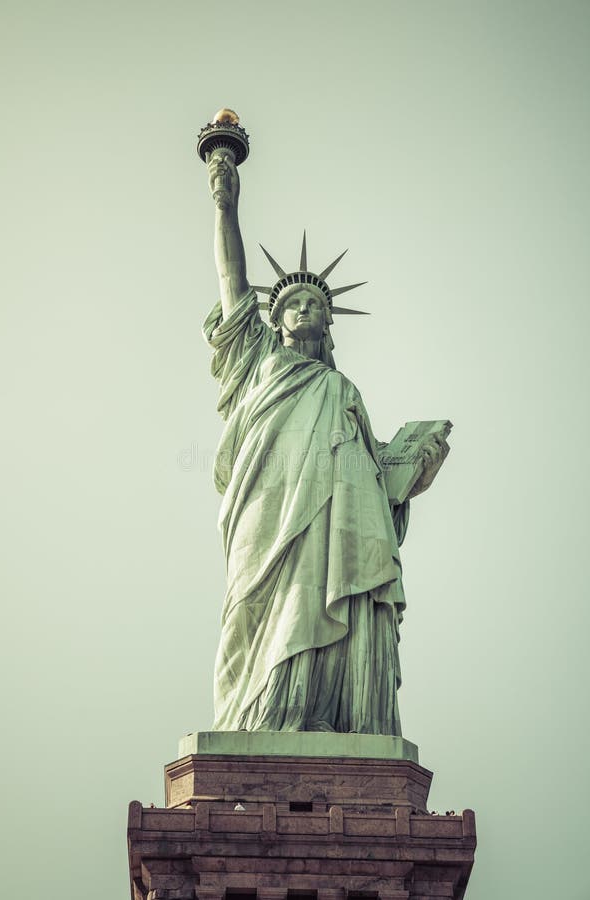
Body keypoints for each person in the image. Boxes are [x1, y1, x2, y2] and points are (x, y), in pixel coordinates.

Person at [203, 149, 446, 734]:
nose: (305, 309)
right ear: (277, 318)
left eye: (316, 304)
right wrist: (225, 209)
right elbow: (232, 282)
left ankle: (324, 713)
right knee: (248, 613)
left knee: (326, 602)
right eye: (292, 304)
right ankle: (253, 717)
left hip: (339, 522)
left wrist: (414, 464)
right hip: (267, 510)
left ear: (328, 322)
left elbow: (373, 473)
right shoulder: (258, 359)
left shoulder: (342, 388)